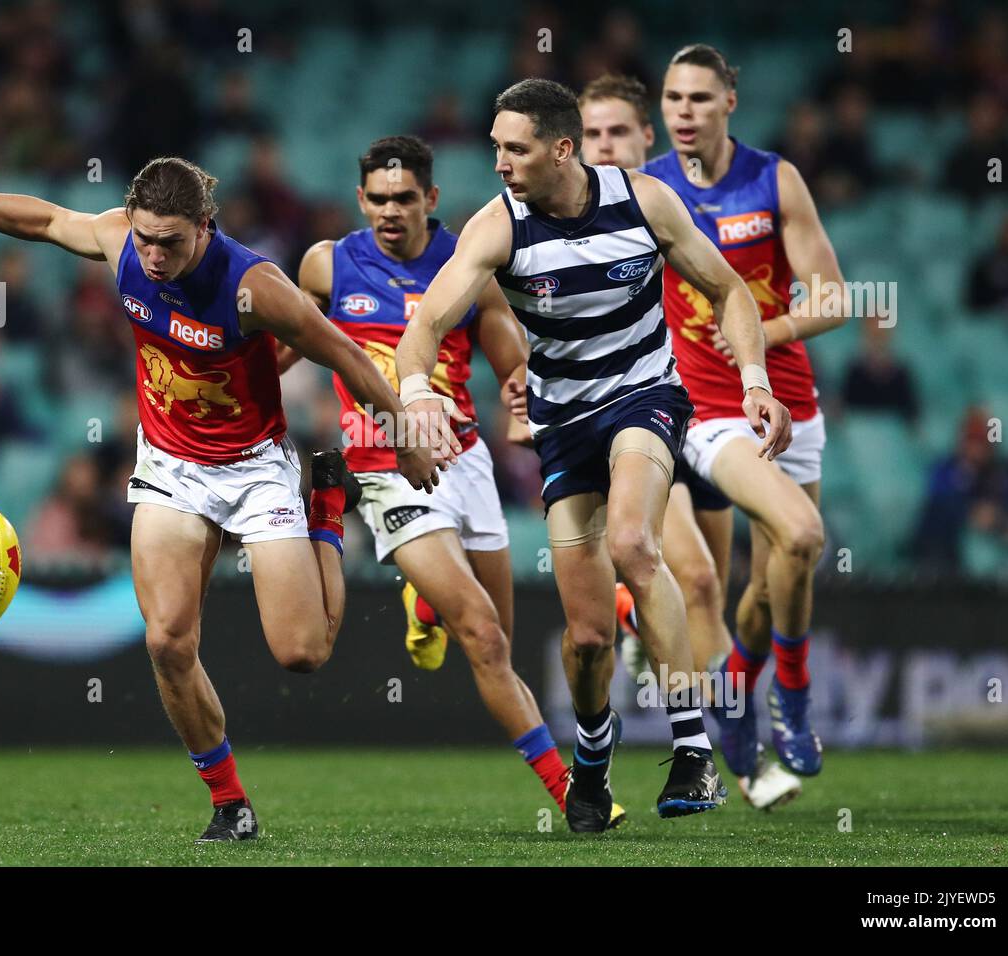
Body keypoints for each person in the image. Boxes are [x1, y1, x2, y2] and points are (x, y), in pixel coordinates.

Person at [0, 157, 423, 843]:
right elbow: (49, 219)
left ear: (205, 226)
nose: (154, 254)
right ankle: (230, 803)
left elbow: (342, 350)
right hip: (171, 466)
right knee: (168, 641)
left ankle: (324, 514)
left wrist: (402, 432)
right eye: (145, 237)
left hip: (257, 468)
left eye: (170, 240)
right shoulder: (122, 244)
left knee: (303, 654)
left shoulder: (255, 287)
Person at [396, 78, 792, 829]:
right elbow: (428, 323)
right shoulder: (497, 227)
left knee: (634, 543)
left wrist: (754, 379)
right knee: (585, 638)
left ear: (563, 149)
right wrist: (417, 390)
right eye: (495, 148)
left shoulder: (643, 201)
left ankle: (691, 752)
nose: (501, 163)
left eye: (515, 149)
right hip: (563, 426)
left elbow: (729, 289)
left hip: (645, 397)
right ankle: (593, 759)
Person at [280, 136, 610, 823]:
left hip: (466, 460)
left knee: (500, 642)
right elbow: (282, 350)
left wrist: (522, 389)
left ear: (430, 199)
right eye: (378, 199)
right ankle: (574, 795)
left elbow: (505, 346)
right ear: (360, 200)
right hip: (383, 469)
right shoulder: (327, 266)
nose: (390, 211)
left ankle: (423, 603)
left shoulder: (467, 262)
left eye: (405, 198)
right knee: (484, 636)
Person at [574, 72, 802, 810]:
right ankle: (732, 752)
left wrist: (758, 369)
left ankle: (720, 715)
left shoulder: (663, 202)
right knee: (697, 579)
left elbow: (736, 287)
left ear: (647, 139)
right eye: (592, 134)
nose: (604, 146)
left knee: (732, 586)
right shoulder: (563, 216)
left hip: (714, 409)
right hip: (647, 418)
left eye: (618, 132)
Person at [643, 44, 850, 786]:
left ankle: (737, 684)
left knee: (775, 580)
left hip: (791, 401)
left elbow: (832, 297)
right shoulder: (649, 190)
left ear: (731, 100)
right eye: (672, 99)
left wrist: (768, 333)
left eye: (700, 98)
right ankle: (791, 697)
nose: (684, 113)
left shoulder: (774, 179)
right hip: (709, 410)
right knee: (802, 531)